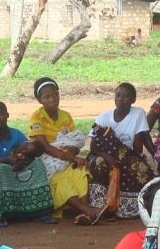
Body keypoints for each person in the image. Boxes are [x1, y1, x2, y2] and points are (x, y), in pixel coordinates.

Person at [28, 77, 105, 224]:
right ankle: (88, 211)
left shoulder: (66, 116)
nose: (53, 99)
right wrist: (69, 157)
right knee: (62, 179)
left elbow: (74, 140)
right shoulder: (36, 117)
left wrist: (73, 151)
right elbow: (44, 146)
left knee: (80, 171)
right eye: (47, 97)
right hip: (48, 163)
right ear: (39, 100)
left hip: (66, 158)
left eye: (55, 94)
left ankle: (84, 212)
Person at [0, 101, 53, 227]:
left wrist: (23, 162)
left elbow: (30, 152)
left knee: (37, 164)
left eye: (0, 114)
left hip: (9, 171)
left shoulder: (16, 134)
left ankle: (40, 212)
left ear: (7, 115)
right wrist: (7, 160)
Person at [87, 83, 156, 218]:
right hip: (102, 154)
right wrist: (108, 157)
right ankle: (100, 206)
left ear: (133, 100)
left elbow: (140, 143)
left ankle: (123, 207)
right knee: (100, 161)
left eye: (125, 96)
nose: (120, 99)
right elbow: (93, 146)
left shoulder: (138, 113)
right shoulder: (104, 116)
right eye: (118, 95)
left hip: (126, 156)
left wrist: (156, 155)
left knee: (138, 167)